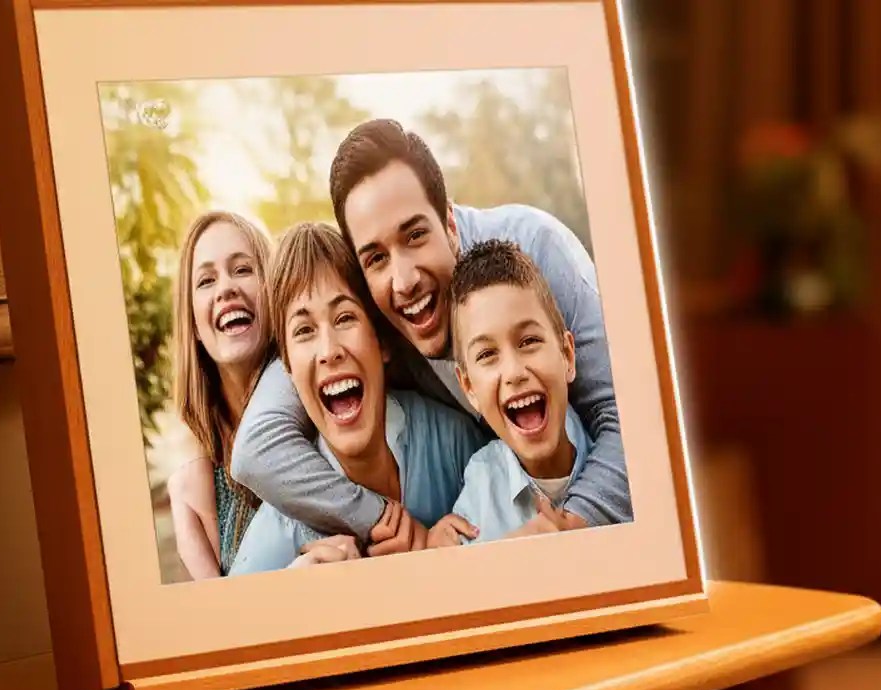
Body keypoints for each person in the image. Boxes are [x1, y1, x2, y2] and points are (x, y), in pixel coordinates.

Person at [231, 119, 631, 550]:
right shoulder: (371, 312)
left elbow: (630, 414)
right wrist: (384, 520)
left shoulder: (535, 256)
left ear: (451, 223)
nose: (403, 281)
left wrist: (573, 527)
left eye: (416, 235)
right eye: (376, 257)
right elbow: (257, 448)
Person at [229, 222, 486, 575]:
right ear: (287, 368)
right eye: (304, 331)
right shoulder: (281, 528)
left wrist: (453, 554)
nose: (328, 351)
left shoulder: (458, 446)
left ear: (381, 340)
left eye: (345, 317)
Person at [427, 240, 592, 548]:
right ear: (469, 389)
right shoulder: (480, 487)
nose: (515, 372)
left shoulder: (614, 460)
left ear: (567, 356)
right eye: (487, 354)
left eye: (528, 341)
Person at [166, 211, 274, 580]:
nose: (226, 288)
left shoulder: (325, 417)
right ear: (194, 325)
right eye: (206, 280)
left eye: (243, 269)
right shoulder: (191, 486)